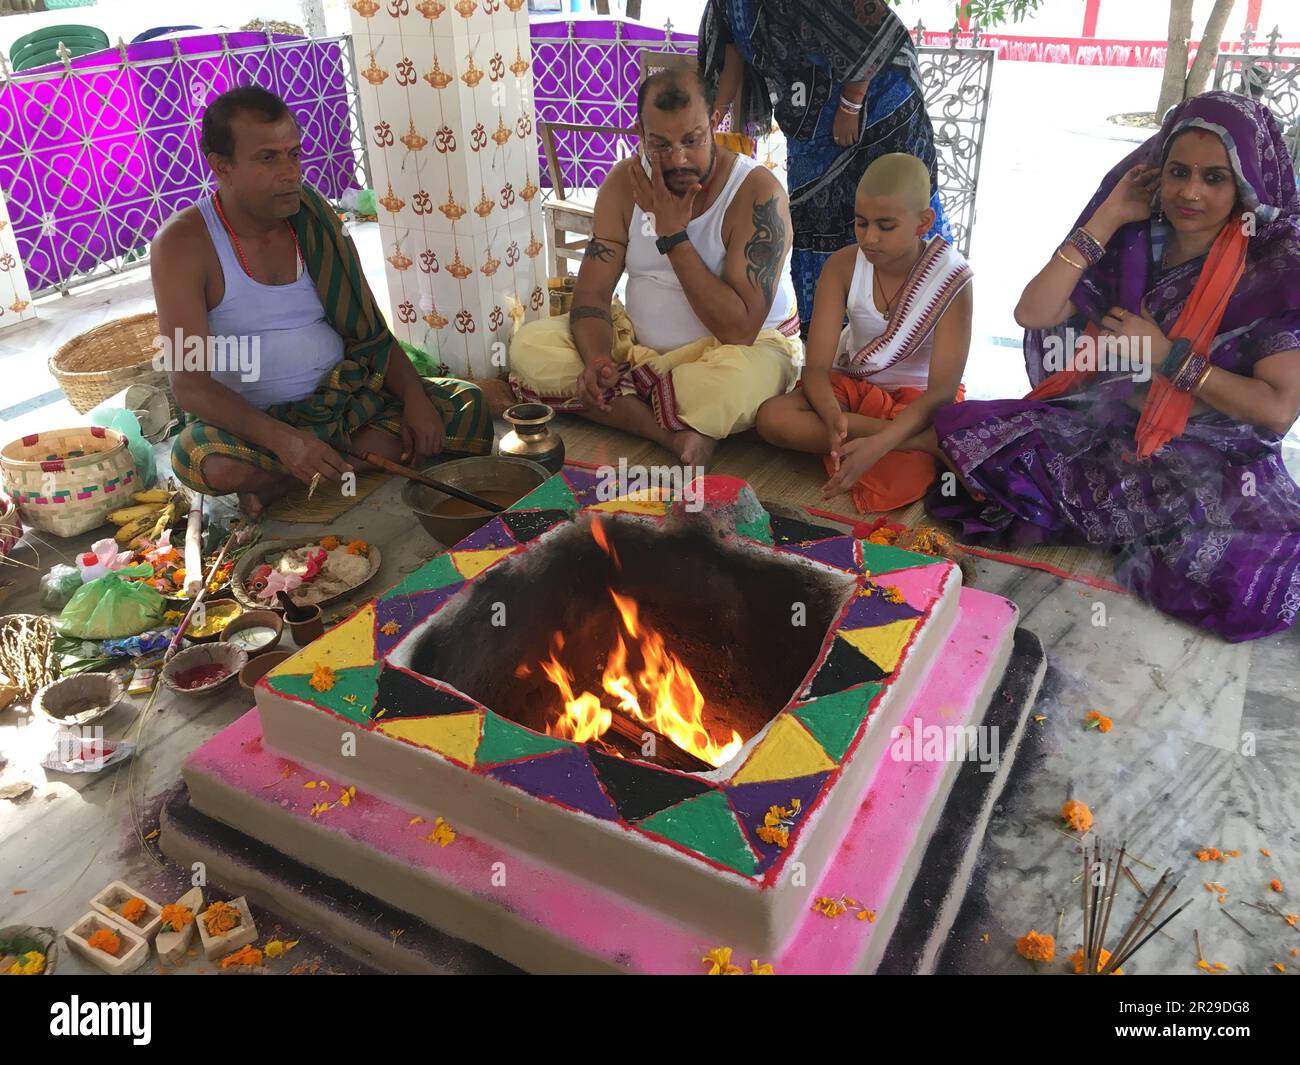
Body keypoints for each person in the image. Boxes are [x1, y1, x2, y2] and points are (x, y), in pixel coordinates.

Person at [924, 92, 1300, 642]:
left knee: (1246, 585)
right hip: (1114, 429)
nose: (1191, 192)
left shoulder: (1273, 265)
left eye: (1215, 178)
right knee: (977, 438)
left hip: (1216, 454)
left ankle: (1111, 520)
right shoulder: (1136, 241)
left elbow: (1277, 410)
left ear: (1244, 186)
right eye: (1178, 172)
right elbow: (1034, 310)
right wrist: (1110, 214)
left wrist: (1167, 355)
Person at [154, 86, 492, 518]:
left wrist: (414, 399)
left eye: (294, 153)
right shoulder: (182, 244)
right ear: (222, 167)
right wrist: (283, 440)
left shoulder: (315, 222)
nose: (291, 172)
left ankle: (282, 483)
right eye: (268, 158)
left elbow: (369, 333)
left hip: (344, 403)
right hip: (253, 425)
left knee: (466, 406)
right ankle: (322, 463)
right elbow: (189, 385)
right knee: (202, 459)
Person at [505, 69, 800, 468]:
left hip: (740, 351)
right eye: (659, 144)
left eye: (691, 141)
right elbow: (592, 295)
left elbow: (739, 330)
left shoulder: (756, 193)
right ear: (640, 133)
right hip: (637, 345)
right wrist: (596, 361)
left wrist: (673, 234)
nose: (676, 159)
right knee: (531, 348)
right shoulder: (623, 185)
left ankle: (626, 404)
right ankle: (670, 431)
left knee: (720, 390)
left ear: (714, 122)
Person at [698, 0, 951, 330]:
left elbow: (868, 33)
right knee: (816, 225)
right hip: (811, 122)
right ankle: (829, 353)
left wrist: (850, 104)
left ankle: (910, 341)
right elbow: (728, 68)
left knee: (890, 221)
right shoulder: (726, 5)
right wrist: (703, 126)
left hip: (878, 109)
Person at [756, 153, 972, 511]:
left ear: (923, 222)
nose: (869, 237)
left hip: (918, 403)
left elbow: (941, 394)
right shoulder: (842, 266)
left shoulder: (952, 280)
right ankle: (923, 444)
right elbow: (817, 370)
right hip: (854, 391)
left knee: (905, 479)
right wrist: (833, 420)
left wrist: (876, 441)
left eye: (885, 226)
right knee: (772, 419)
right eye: (861, 223)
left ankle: (897, 442)